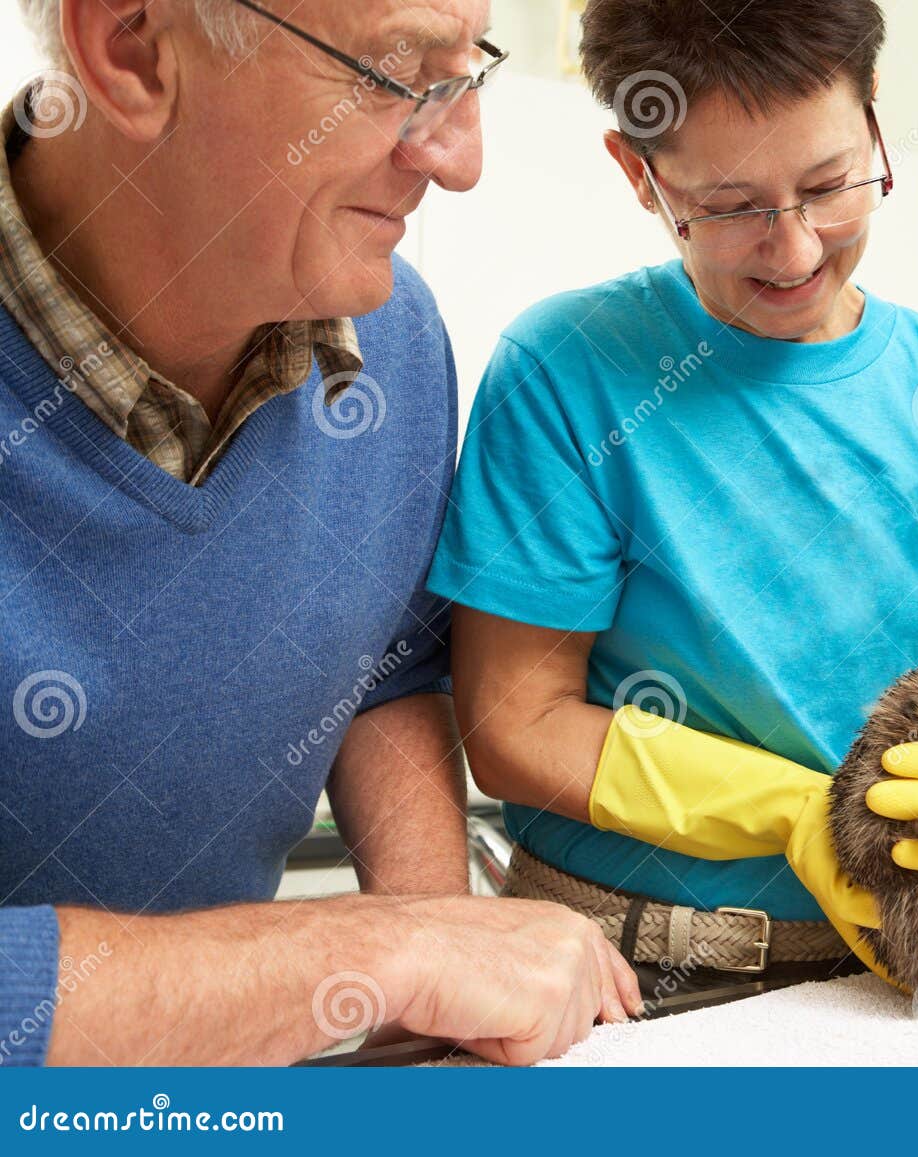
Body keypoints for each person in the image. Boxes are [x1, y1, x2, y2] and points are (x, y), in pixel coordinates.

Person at [0, 0, 638, 1068]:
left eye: (464, 72)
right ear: (131, 49)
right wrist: (367, 953)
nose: (460, 160)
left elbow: (382, 665)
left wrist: (441, 967)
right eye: (394, 73)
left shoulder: (396, 344)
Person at [429, 0, 918, 989]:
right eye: (730, 206)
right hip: (619, 963)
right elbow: (514, 726)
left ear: (873, 113)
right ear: (639, 174)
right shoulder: (567, 370)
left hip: (887, 973)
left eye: (830, 186)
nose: (793, 252)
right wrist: (793, 813)